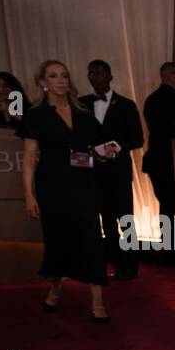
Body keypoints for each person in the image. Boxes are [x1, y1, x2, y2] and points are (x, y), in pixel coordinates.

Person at [16, 60, 118, 322]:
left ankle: (97, 301)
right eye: (53, 76)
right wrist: (29, 195)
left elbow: (96, 149)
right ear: (43, 82)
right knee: (57, 240)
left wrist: (107, 152)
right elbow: (29, 158)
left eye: (64, 75)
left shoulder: (83, 113)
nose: (60, 80)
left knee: (92, 239)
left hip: (84, 185)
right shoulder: (36, 115)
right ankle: (56, 288)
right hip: (52, 187)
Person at [81, 59, 144, 279]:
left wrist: (115, 147)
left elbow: (137, 139)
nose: (94, 77)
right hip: (93, 174)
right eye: (91, 73)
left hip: (119, 173)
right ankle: (116, 265)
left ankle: (131, 266)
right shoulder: (80, 105)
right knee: (106, 221)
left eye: (98, 73)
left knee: (126, 220)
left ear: (110, 76)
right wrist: (90, 151)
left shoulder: (126, 105)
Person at [142, 62, 175, 266]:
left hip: (157, 161)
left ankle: (170, 248)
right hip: (174, 160)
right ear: (171, 76)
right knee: (174, 206)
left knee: (167, 205)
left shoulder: (152, 99)